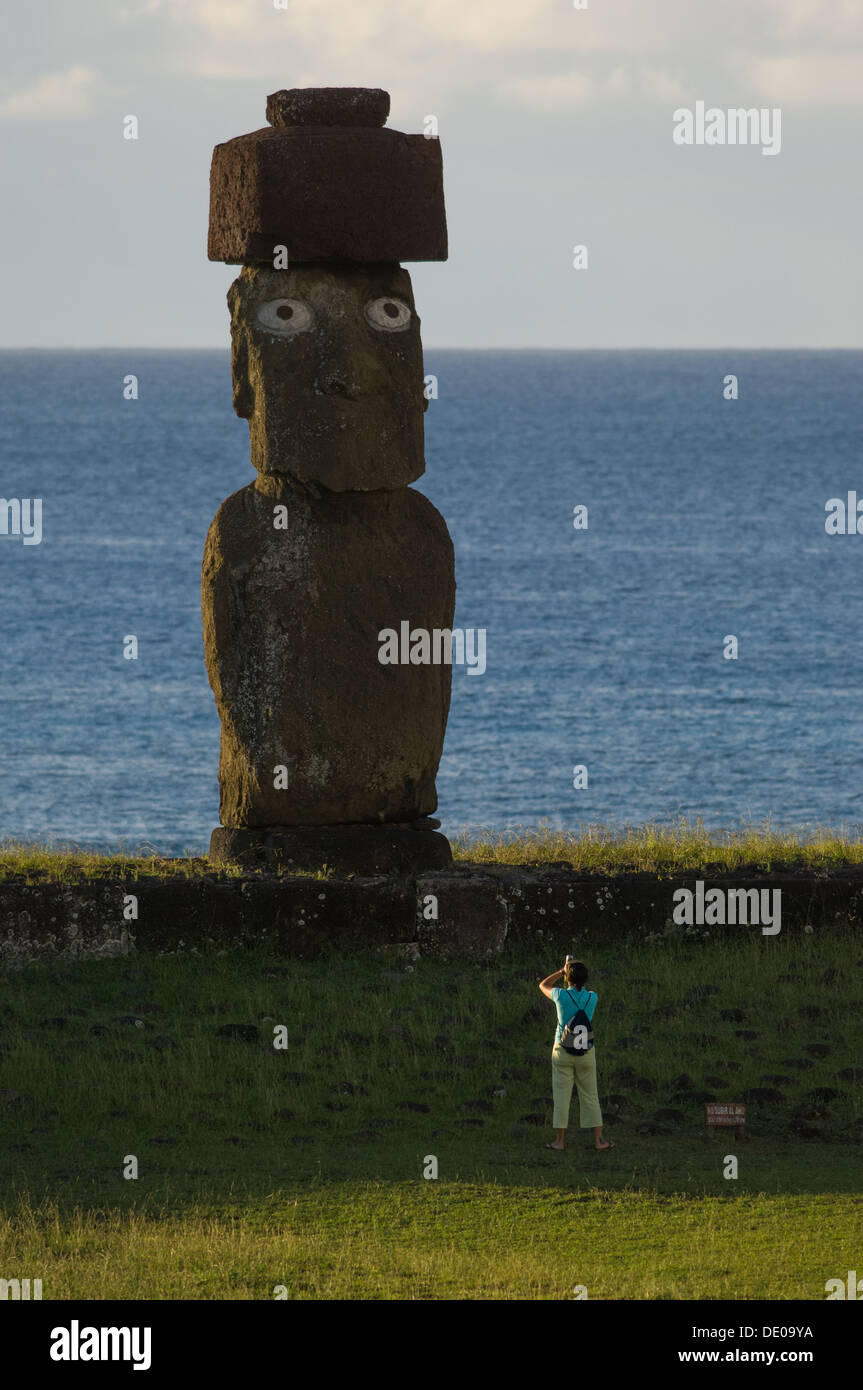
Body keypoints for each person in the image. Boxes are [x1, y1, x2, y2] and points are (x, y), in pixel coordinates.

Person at [539, 957, 614, 1152]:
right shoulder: (592, 997)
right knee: (591, 1095)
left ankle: (560, 1141)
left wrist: (561, 971)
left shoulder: (560, 995)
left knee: (561, 1096)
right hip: (586, 1052)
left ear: (568, 977)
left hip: (562, 1050)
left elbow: (543, 985)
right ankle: (599, 1141)